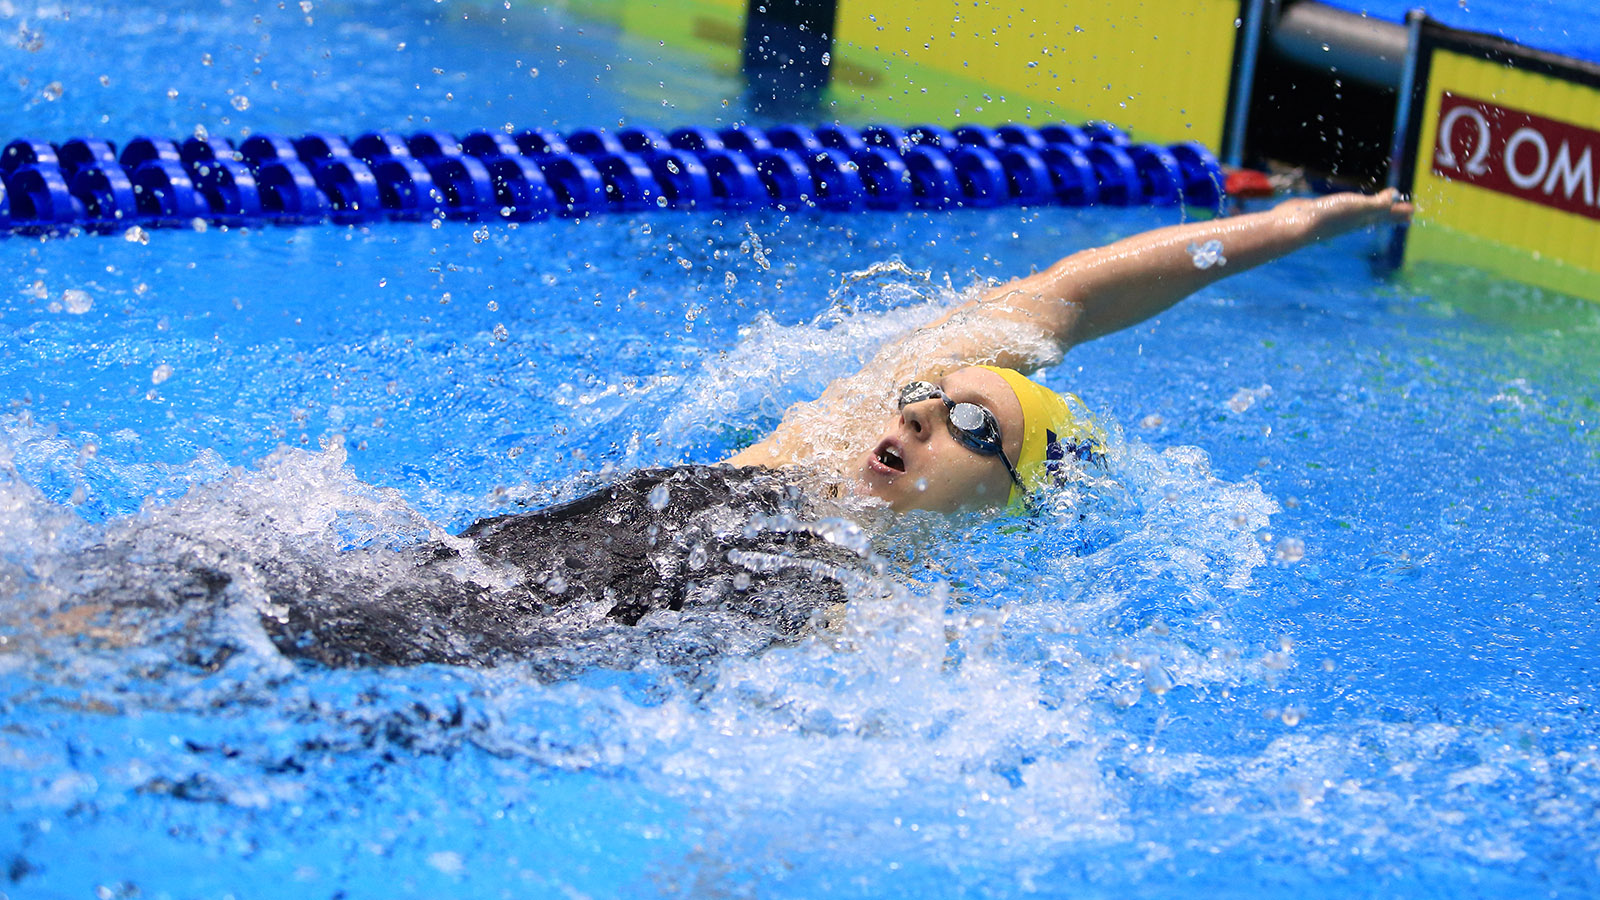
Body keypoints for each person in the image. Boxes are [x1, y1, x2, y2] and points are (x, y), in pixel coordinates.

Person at [35, 189, 1413, 674]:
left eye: (966, 424)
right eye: (928, 397)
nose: (921, 412)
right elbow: (1068, 298)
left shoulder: (883, 615)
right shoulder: (811, 450)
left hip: (493, 652)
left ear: (1003, 497)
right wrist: (1294, 225)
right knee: (208, 582)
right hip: (480, 568)